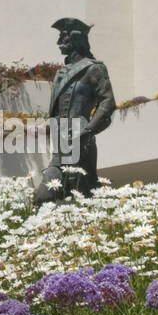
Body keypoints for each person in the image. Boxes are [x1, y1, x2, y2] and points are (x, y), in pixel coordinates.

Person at [34, 17, 116, 204]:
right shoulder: (60, 73)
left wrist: (88, 131)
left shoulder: (94, 68)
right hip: (61, 145)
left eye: (63, 37)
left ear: (76, 39)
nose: (58, 42)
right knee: (45, 197)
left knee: (82, 196)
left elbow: (108, 102)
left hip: (81, 142)